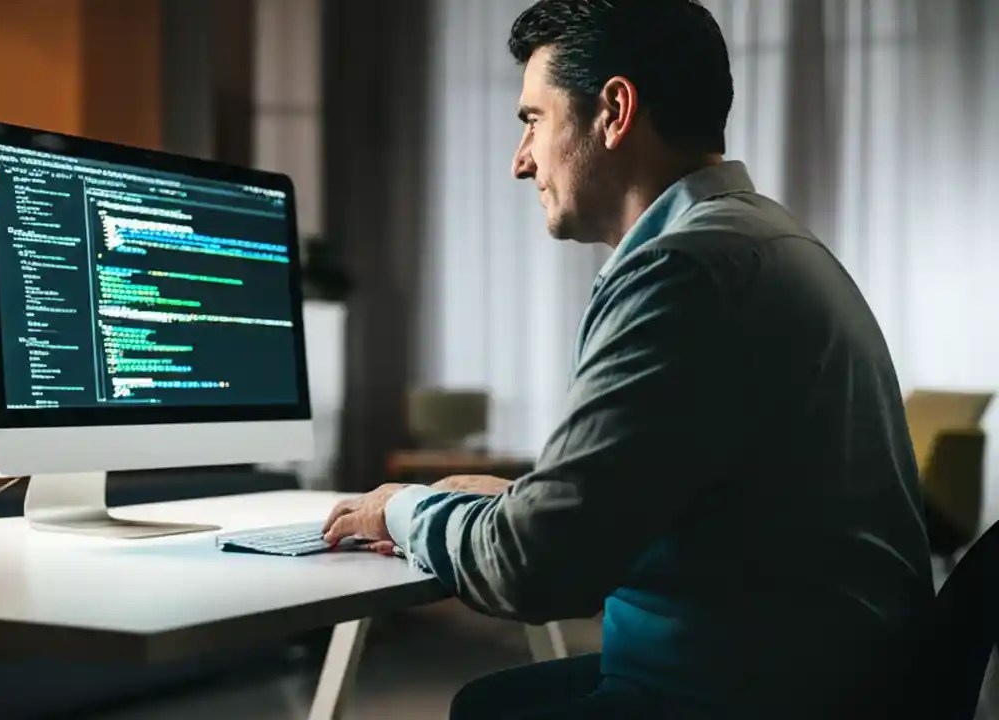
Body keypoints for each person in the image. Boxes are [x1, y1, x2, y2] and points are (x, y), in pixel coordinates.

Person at [322, 0, 934, 717]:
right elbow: (702, 496)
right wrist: (521, 503)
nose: (521, 163)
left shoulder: (686, 272)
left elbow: (535, 573)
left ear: (614, 110)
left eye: (532, 120)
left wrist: (402, 509)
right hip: (819, 673)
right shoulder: (758, 242)